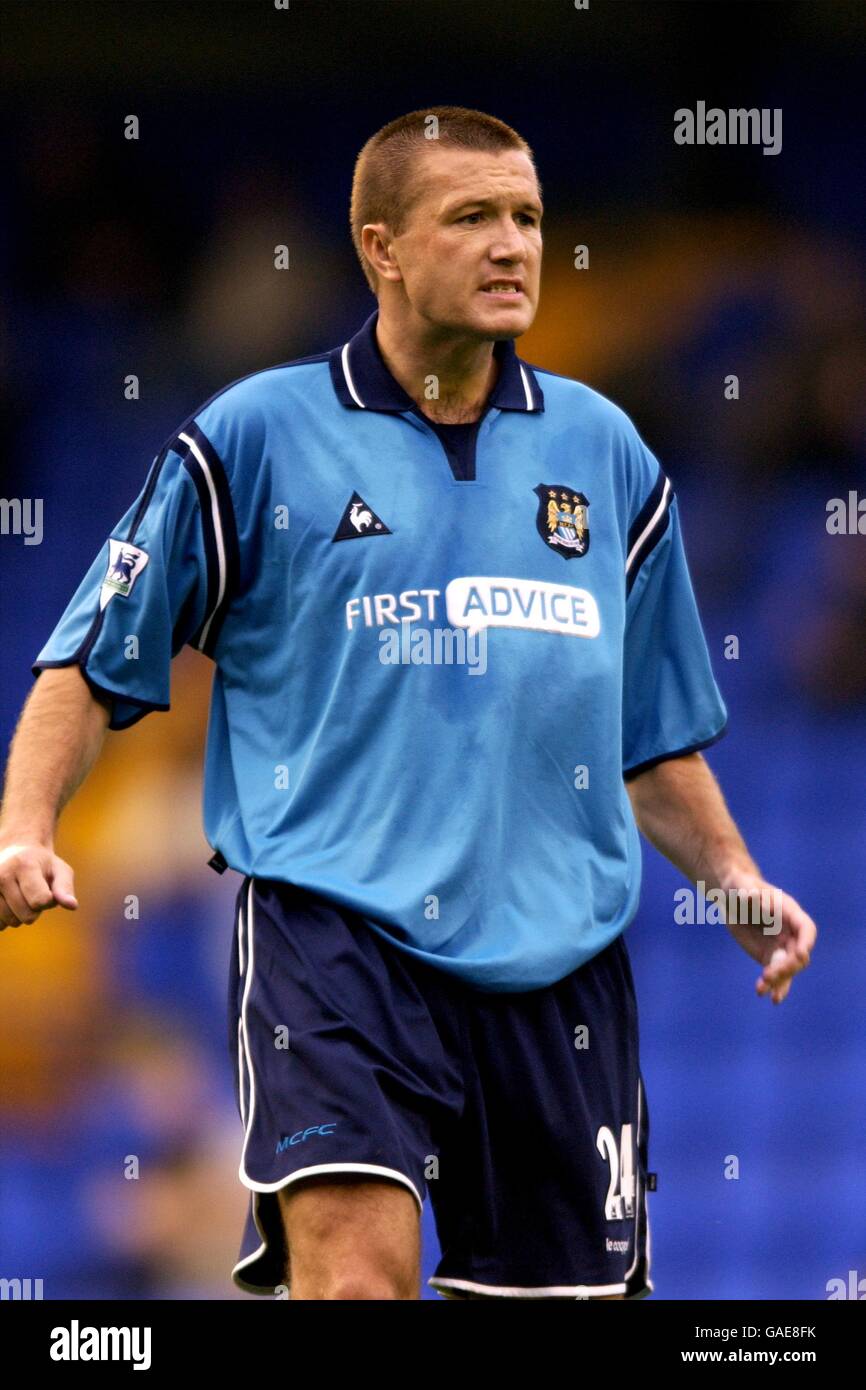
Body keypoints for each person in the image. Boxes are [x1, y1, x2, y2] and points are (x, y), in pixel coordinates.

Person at [0, 106, 817, 1301]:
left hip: (559, 972)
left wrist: (732, 876)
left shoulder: (609, 456)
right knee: (356, 1280)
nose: (511, 245)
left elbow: (647, 740)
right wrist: (26, 827)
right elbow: (85, 661)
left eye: (527, 218)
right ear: (379, 247)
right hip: (335, 945)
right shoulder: (254, 440)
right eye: (471, 217)